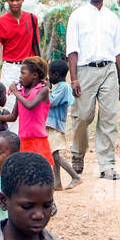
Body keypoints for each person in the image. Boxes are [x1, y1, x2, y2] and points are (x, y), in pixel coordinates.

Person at [65, 0, 120, 180]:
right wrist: (73, 79)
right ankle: (78, 154)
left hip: (109, 70)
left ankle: (107, 165)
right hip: (85, 71)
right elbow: (72, 49)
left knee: (109, 117)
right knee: (82, 116)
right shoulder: (78, 16)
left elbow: (119, 51)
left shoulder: (112, 18)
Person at [0, 0, 41, 130]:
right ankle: (13, 143)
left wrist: (42, 70)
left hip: (30, 68)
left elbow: (36, 44)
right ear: (7, 1)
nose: (15, 3)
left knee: (30, 102)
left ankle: (25, 140)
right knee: (11, 104)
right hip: (10, 68)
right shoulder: (0, 23)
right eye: (11, 0)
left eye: (17, 0)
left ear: (23, 0)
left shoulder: (32, 19)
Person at [44, 60, 79, 191]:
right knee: (53, 153)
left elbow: (51, 101)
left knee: (55, 155)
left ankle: (74, 176)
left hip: (55, 126)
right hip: (51, 125)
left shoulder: (63, 87)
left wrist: (46, 89)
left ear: (56, 74)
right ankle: (57, 183)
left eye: (50, 75)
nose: (49, 77)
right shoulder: (59, 87)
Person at [12, 56, 52, 168]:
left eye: (23, 73)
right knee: (25, 170)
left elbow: (30, 105)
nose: (20, 76)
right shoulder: (21, 92)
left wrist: (15, 92)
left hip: (38, 139)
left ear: (34, 75)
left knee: (40, 169)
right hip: (23, 139)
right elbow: (13, 116)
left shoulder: (42, 90)